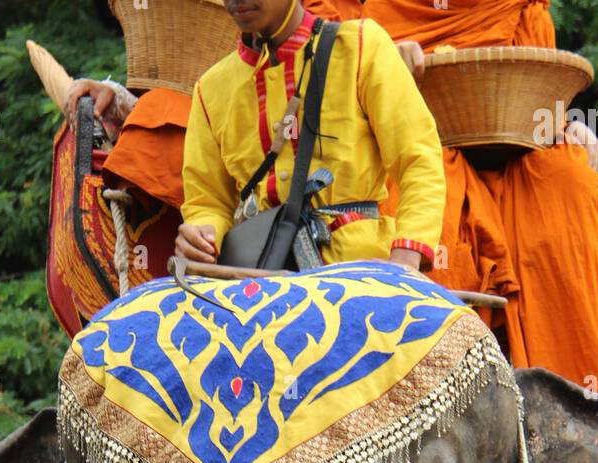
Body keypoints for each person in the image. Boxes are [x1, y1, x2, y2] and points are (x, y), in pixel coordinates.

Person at [338, 0, 598, 445]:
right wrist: (377, 58)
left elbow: (538, 99)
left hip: (515, 153)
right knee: (423, 195)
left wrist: (566, 127)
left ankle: (582, 426)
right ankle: (424, 421)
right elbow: (323, 74)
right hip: (408, 147)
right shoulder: (361, 13)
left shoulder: (520, 10)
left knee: (570, 180)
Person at [175, 0, 445, 270]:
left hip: (361, 271)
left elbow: (418, 161)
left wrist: (404, 260)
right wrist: (201, 236)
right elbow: (208, 202)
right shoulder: (210, 89)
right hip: (256, 277)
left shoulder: (361, 46)